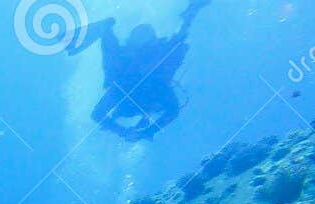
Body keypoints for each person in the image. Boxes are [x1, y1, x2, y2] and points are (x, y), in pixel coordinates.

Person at [68, 0, 211, 141]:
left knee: (175, 41)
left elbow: (97, 114)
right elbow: (97, 115)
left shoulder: (123, 89)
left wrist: (133, 131)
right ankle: (107, 29)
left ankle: (106, 29)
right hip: (143, 64)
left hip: (135, 64)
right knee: (172, 44)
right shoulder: (153, 89)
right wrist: (141, 132)